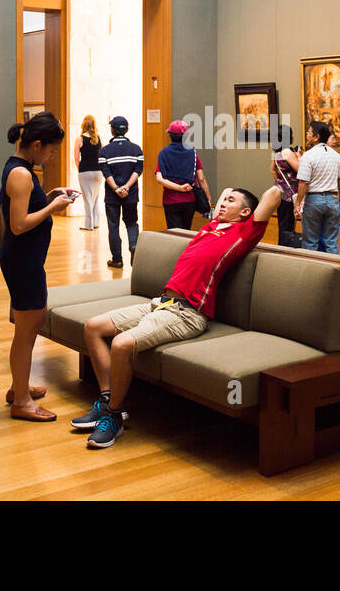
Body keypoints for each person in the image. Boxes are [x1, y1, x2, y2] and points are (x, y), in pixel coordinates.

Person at [75, 185, 282, 448]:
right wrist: (226, 195)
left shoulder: (245, 233)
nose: (223, 203)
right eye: (223, 198)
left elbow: (273, 194)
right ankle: (107, 402)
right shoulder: (209, 229)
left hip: (187, 314)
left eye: (230, 200)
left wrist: (286, 164)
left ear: (245, 213)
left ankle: (114, 416)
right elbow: (220, 206)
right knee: (93, 327)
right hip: (160, 303)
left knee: (121, 344)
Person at [0, 112, 78, 421]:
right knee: (27, 329)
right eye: (52, 150)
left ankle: (20, 387)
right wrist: (52, 208)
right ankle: (21, 402)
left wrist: (51, 196)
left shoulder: (23, 168)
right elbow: (18, 225)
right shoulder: (21, 173)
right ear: (37, 144)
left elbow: (27, 205)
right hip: (23, 260)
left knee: (29, 325)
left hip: (27, 260)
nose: (53, 156)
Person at [293, 121, 340, 254]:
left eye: (309, 132)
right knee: (331, 242)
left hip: (314, 201)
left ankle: (312, 273)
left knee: (310, 242)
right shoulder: (336, 156)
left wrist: (298, 203)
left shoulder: (308, 156)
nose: (307, 134)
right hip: (333, 199)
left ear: (316, 137)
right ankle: (335, 272)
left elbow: (304, 183)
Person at [98, 115, 143, 268]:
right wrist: (127, 187)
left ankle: (117, 259)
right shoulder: (136, 149)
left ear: (112, 130)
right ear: (127, 129)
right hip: (131, 194)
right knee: (131, 222)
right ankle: (134, 246)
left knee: (113, 226)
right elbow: (138, 170)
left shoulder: (104, 151)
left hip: (112, 196)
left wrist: (117, 188)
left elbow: (106, 172)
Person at [155, 119, 211, 230]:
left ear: (170, 135)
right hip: (189, 200)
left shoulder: (163, 153)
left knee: (174, 234)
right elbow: (201, 178)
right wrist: (208, 199)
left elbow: (160, 179)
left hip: (170, 200)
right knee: (186, 231)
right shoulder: (192, 152)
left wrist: (179, 188)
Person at [269, 125, 301, 246]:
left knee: (283, 225)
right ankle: (286, 249)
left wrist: (281, 182)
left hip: (282, 193)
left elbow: (272, 170)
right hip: (290, 195)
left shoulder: (278, 153)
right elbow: (300, 169)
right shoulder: (287, 151)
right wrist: (299, 156)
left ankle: (282, 248)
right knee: (288, 226)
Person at [73, 115, 103, 231]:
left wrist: (79, 169)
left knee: (87, 199)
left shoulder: (80, 139)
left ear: (83, 124)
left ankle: (88, 224)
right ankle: (96, 222)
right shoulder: (98, 138)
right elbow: (102, 153)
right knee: (95, 197)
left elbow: (76, 157)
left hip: (85, 171)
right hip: (98, 171)